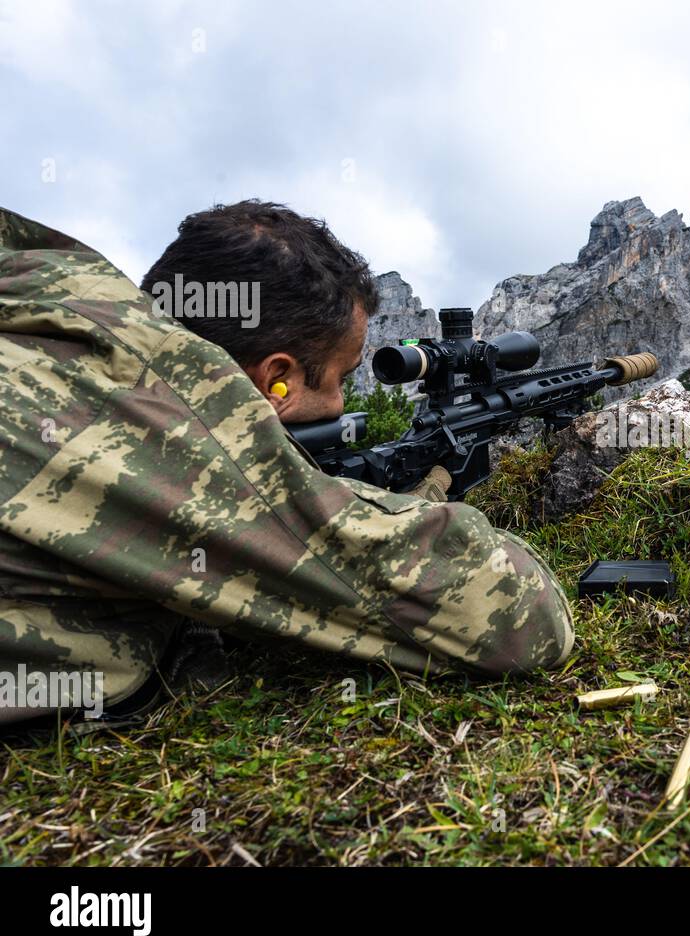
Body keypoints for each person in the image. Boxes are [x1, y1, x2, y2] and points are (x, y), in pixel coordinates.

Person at [0, 201, 575, 727]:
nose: (344, 406)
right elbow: (518, 615)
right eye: (344, 378)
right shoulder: (172, 426)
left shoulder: (49, 296)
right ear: (276, 379)